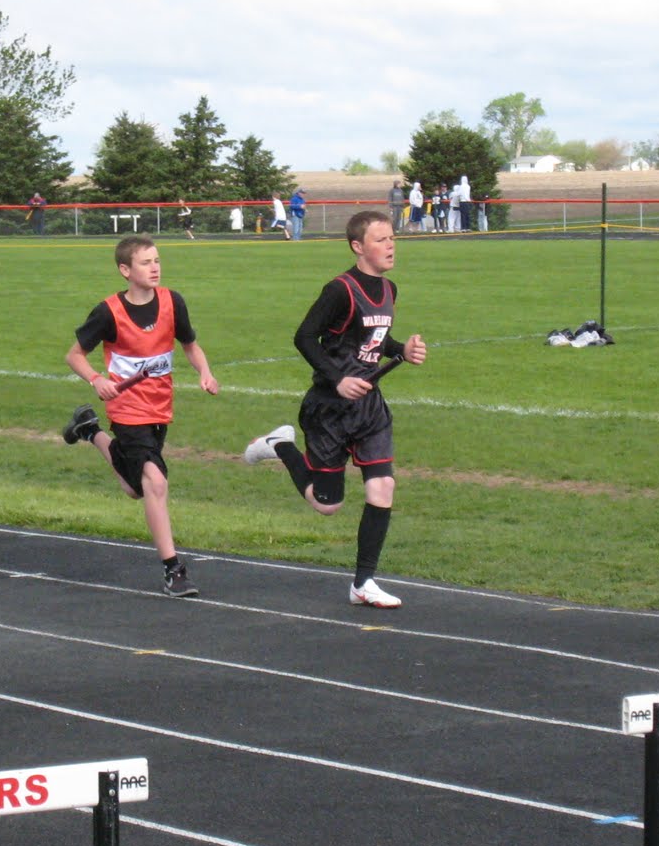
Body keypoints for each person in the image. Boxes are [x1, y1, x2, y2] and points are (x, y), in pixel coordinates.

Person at [242, 209, 426, 608]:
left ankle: (363, 583)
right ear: (358, 246)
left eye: (392, 238)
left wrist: (402, 350)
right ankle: (279, 445)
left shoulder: (390, 289)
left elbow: (374, 338)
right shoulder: (339, 290)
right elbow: (305, 337)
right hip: (329, 409)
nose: (390, 245)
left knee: (383, 486)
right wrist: (338, 378)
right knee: (327, 505)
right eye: (381, 239)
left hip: (369, 408)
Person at [62, 235, 220, 597]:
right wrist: (97, 379)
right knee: (155, 482)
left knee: (135, 488)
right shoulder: (108, 312)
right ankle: (173, 570)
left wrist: (205, 372)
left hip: (160, 408)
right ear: (125, 270)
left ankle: (90, 430)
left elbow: (190, 345)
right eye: (146, 262)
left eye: (157, 260)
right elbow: (74, 355)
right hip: (126, 409)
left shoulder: (172, 302)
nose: (155, 268)